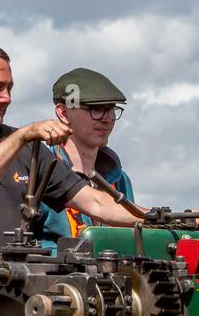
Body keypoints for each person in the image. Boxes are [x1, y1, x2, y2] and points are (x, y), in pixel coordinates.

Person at [0, 43, 155, 295]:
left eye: (9, 88)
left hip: (9, 300)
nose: (7, 98)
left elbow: (96, 203)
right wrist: (23, 135)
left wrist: (162, 219)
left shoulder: (26, 149)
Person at [40, 68, 135, 241]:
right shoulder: (41, 173)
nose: (107, 119)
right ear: (63, 113)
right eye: (96, 109)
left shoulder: (119, 179)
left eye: (111, 110)